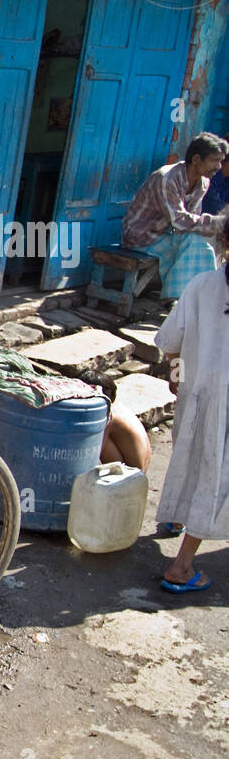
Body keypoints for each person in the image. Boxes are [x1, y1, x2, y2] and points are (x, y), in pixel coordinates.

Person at [150, 253, 229, 594]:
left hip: (194, 395)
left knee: (189, 457)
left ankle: (176, 515)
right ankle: (181, 567)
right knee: (214, 477)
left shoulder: (201, 284)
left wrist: (176, 373)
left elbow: (170, 343)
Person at [121, 132, 229, 302]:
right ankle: (179, 298)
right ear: (196, 159)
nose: (218, 166)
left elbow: (192, 219)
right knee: (196, 242)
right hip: (141, 237)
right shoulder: (167, 178)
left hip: (168, 234)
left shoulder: (203, 181)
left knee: (202, 241)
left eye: (221, 161)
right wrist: (217, 223)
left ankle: (197, 296)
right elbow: (179, 221)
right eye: (214, 161)